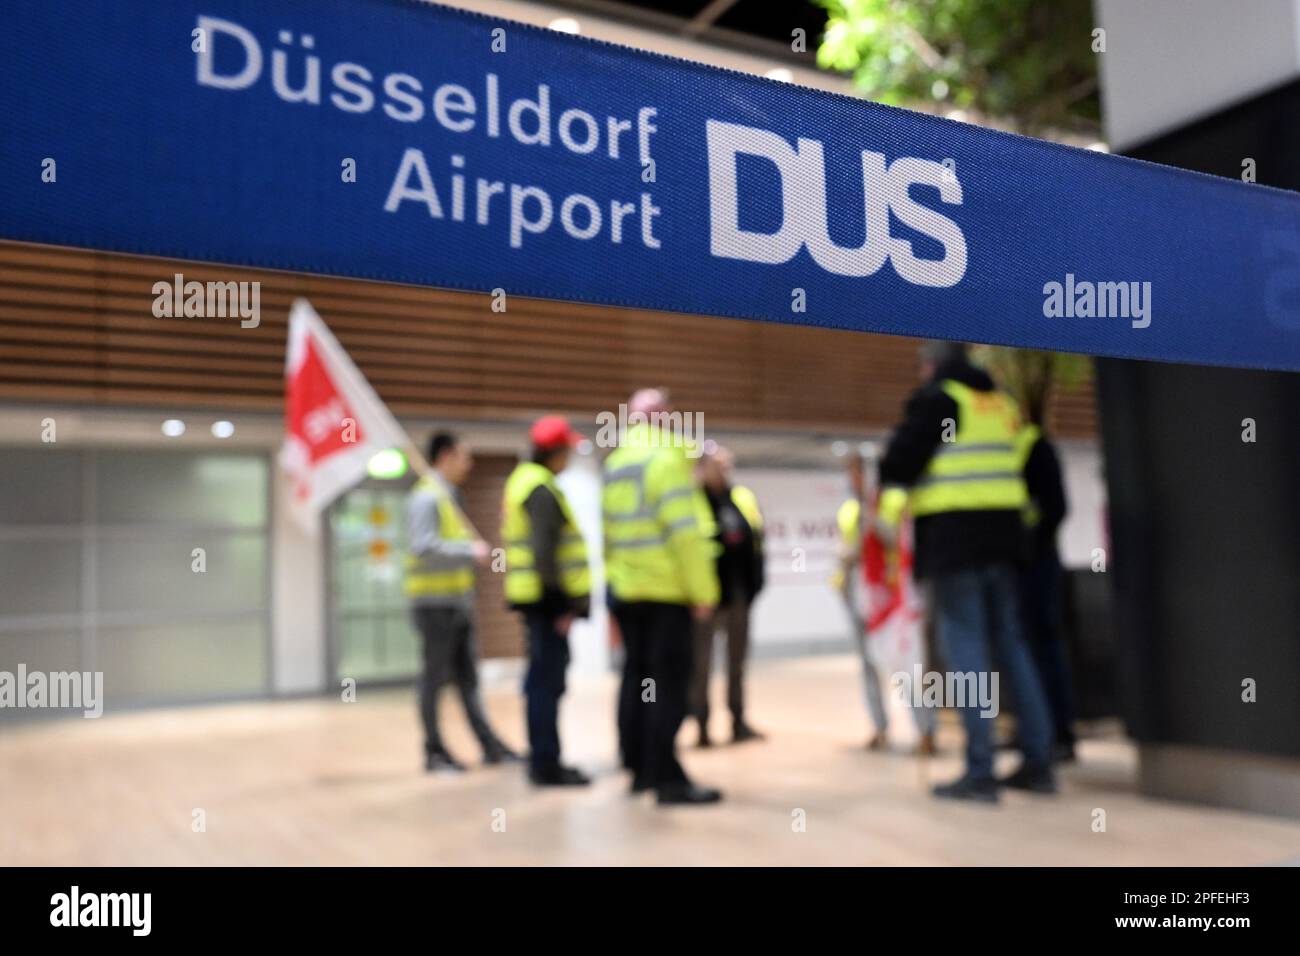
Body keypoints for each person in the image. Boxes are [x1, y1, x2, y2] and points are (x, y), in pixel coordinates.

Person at [877, 341, 1056, 802]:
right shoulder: (1001, 403)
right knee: (1013, 647)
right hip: (1006, 542)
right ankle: (1039, 764)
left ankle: (981, 773)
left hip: (957, 544)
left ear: (932, 365)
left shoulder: (942, 399)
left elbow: (898, 462)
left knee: (968, 653)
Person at [604, 387, 722, 805]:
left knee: (638, 681)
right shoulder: (666, 461)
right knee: (668, 684)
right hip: (666, 594)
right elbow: (685, 536)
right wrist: (703, 592)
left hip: (627, 592)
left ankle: (638, 769)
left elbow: (609, 537)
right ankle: (667, 778)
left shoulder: (616, 463)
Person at [405, 431, 519, 773]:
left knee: (468, 679)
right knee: (434, 679)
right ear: (446, 455)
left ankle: (489, 745)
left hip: (457, 603)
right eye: (464, 456)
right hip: (434, 605)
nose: (469, 464)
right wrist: (469, 551)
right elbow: (422, 546)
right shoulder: (426, 498)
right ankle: (434, 751)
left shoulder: (448, 497)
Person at [502, 416, 593, 786]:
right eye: (567, 449)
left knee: (542, 680)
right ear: (554, 452)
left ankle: (545, 758)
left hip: (536, 599)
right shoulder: (540, 489)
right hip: (546, 602)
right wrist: (562, 604)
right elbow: (545, 554)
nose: (570, 456)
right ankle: (545, 763)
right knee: (545, 682)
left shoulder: (525, 482)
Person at [835, 454, 937, 754]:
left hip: (893, 598)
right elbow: (847, 548)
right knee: (868, 664)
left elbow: (899, 542)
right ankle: (879, 727)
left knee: (908, 665)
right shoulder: (848, 511)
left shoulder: (892, 503)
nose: (852, 480)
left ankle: (925, 729)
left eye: (857, 473)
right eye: (849, 474)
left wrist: (873, 519)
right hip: (860, 595)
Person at [689, 446, 766, 747]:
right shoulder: (694, 501)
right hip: (706, 600)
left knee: (737, 663)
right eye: (717, 465)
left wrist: (754, 586)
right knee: (701, 666)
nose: (723, 470)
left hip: (739, 596)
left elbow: (756, 544)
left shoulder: (741, 498)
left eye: (727, 465)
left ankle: (738, 720)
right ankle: (702, 725)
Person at [1015, 419, 1077, 762]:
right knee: (1022, 649)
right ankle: (1035, 731)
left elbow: (1056, 508)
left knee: (1044, 645)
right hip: (1013, 564)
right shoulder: (1007, 447)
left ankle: (1060, 733)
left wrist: (1029, 542)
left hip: (1037, 562)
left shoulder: (1033, 445)